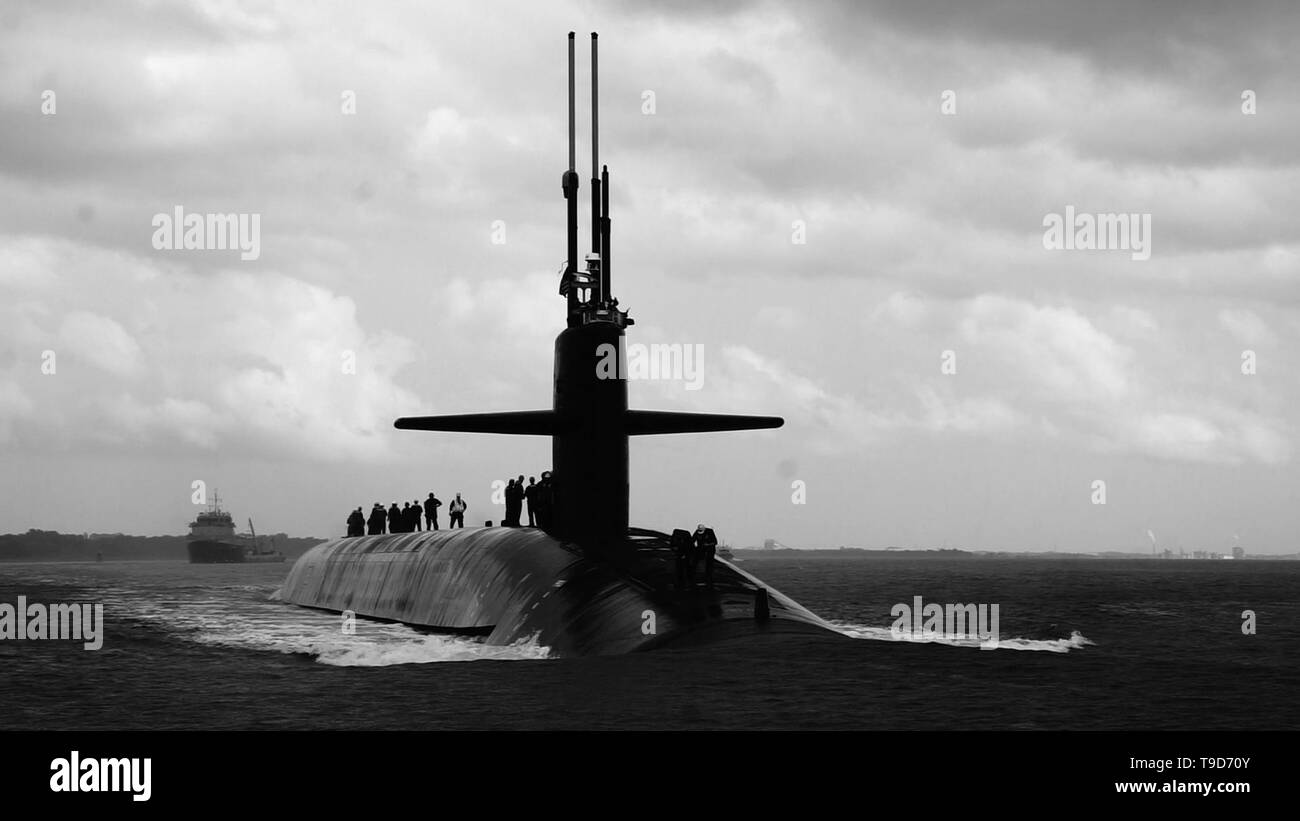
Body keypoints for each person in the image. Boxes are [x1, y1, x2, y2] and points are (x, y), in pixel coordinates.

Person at [693, 524, 718, 588]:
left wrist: (708, 544)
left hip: (710, 549)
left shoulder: (710, 532)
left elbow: (715, 542)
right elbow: (692, 540)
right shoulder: (697, 532)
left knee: (709, 564)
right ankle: (696, 576)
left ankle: (709, 578)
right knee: (695, 562)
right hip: (701, 549)